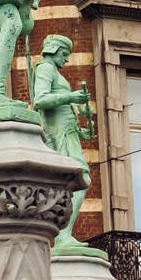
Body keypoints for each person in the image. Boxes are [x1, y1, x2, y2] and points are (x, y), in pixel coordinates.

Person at [32, 34, 92, 249]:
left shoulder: (53, 71)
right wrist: (71, 97)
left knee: (74, 180)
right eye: (64, 54)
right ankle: (64, 234)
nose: (66, 59)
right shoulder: (45, 68)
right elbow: (40, 100)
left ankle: (64, 233)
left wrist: (80, 131)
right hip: (59, 135)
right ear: (55, 50)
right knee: (79, 177)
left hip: (67, 132)